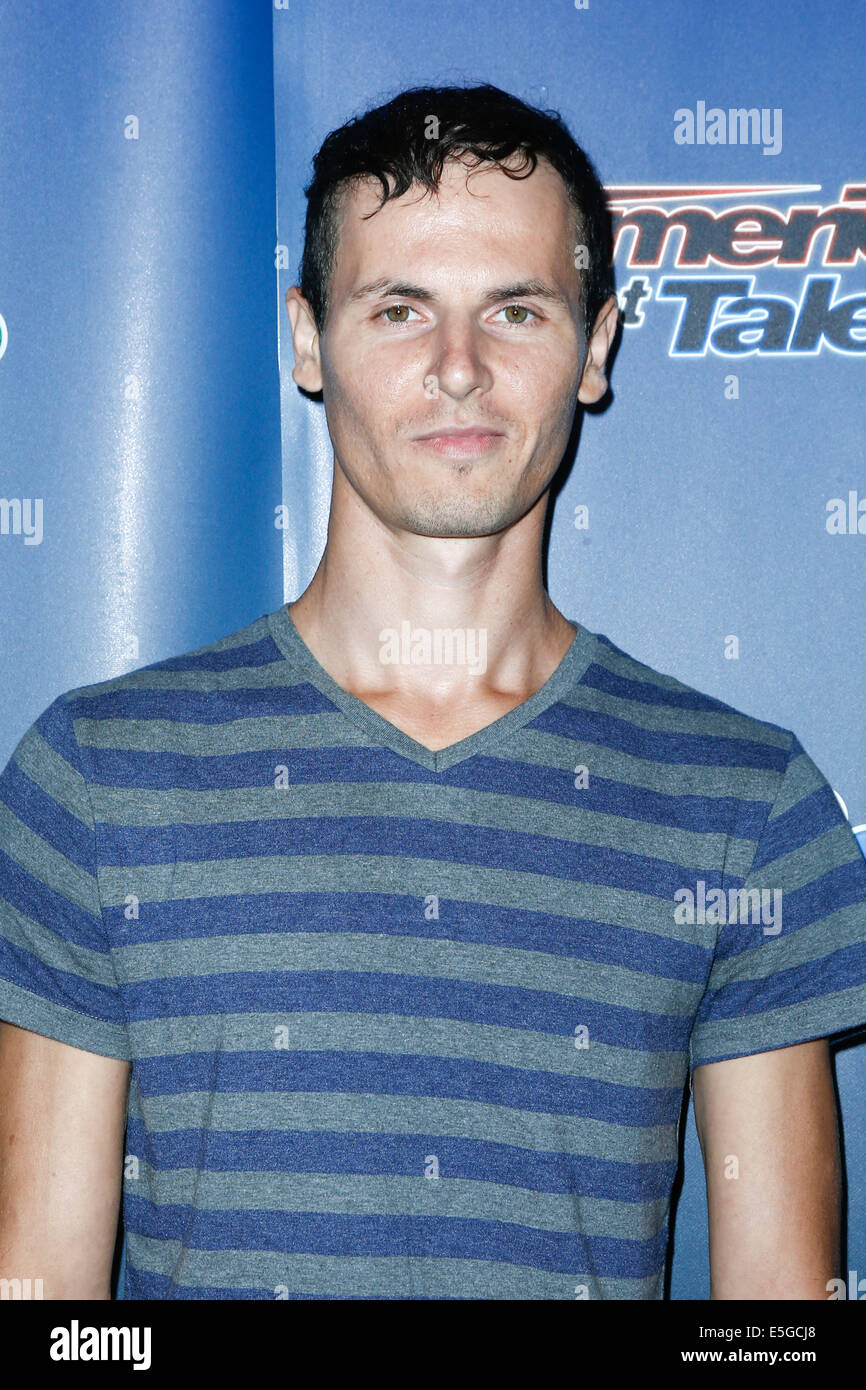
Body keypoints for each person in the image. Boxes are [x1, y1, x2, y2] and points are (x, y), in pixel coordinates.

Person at [1, 82, 865, 1302]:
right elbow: (41, 1308)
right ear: (307, 341)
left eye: (513, 309)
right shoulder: (97, 775)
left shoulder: (742, 802)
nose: (457, 370)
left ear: (595, 348)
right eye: (398, 308)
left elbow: (777, 1326)